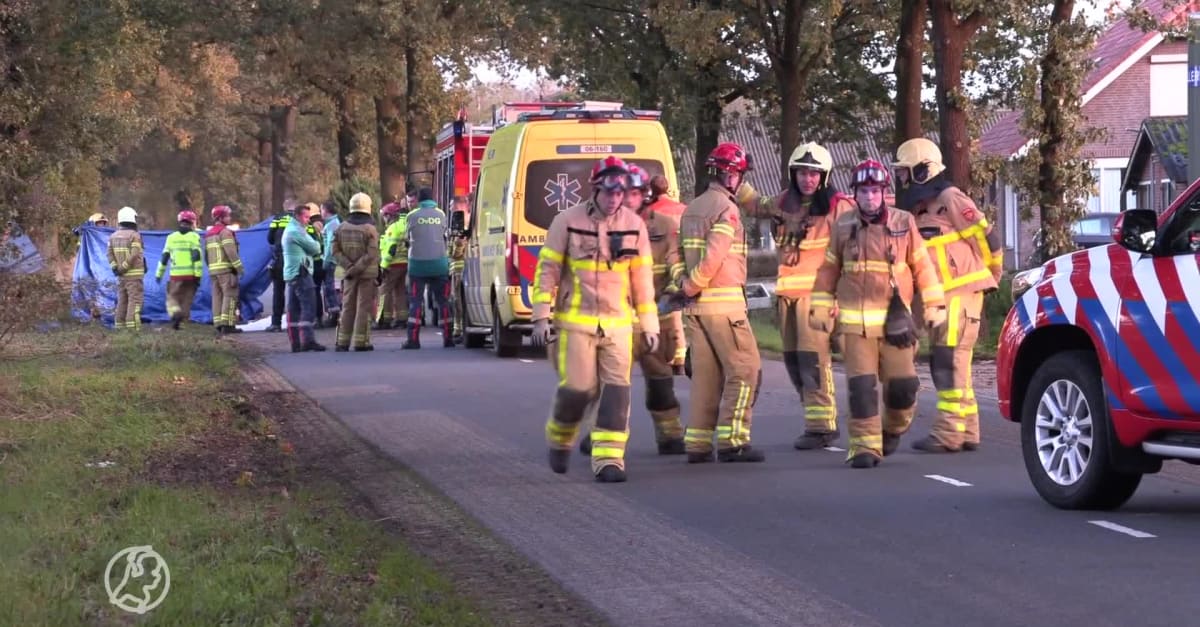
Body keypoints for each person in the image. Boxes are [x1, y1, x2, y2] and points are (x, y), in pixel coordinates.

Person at [809, 159, 946, 469]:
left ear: (884, 192)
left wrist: (934, 304)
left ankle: (892, 429)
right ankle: (864, 447)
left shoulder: (904, 222)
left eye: (875, 191)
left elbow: (923, 267)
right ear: (855, 194)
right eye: (863, 191)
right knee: (862, 390)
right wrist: (820, 305)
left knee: (903, 389)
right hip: (855, 328)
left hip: (896, 325)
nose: (869, 197)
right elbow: (829, 269)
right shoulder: (843, 225)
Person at [531, 156, 659, 483]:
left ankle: (609, 460)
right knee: (578, 390)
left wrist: (650, 325)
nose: (615, 198)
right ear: (596, 188)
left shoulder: (634, 225)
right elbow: (547, 271)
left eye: (621, 193)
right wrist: (541, 317)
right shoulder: (566, 221)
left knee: (617, 394)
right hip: (576, 325)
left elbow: (643, 281)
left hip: (618, 326)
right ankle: (560, 439)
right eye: (610, 191)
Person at [734, 142, 855, 450]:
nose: (808, 179)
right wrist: (737, 176)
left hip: (817, 299)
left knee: (813, 361)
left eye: (814, 174)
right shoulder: (783, 203)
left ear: (824, 176)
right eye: (802, 173)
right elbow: (755, 205)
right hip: (787, 297)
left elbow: (853, 252)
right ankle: (814, 418)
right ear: (793, 174)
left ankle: (822, 426)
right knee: (794, 361)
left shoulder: (839, 207)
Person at [892, 138, 1004, 453]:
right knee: (957, 364)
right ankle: (967, 430)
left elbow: (986, 238)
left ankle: (947, 434)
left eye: (904, 170)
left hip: (959, 295)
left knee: (946, 362)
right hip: (944, 297)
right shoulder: (923, 207)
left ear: (922, 170)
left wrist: (992, 276)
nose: (900, 177)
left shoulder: (950, 198)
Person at [666, 142, 764, 464]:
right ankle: (734, 441)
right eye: (739, 175)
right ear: (730, 175)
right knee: (745, 369)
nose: (740, 180)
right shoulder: (727, 210)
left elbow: (674, 254)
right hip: (725, 308)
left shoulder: (692, 208)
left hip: (696, 309)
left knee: (706, 379)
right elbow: (714, 256)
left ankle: (697, 444)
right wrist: (693, 284)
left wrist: (683, 284)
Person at [579, 164, 686, 456]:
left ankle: (670, 435)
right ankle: (599, 434)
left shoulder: (664, 226)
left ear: (645, 195)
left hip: (655, 320)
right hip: (616, 322)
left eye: (636, 194)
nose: (629, 199)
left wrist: (677, 287)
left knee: (661, 383)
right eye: (625, 193)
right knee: (610, 385)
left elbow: (676, 261)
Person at [403, 188, 453, 349]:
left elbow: (406, 238)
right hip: (439, 265)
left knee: (415, 302)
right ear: (433, 199)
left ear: (418, 200)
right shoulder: (441, 214)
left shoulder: (412, 216)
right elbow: (446, 236)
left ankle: (413, 340)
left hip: (417, 266)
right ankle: (448, 338)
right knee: (443, 302)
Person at [333, 192, 381, 352]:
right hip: (366, 275)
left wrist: (349, 267)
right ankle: (361, 343)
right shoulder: (370, 229)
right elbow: (371, 254)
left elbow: (335, 251)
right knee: (363, 308)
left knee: (347, 306)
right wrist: (357, 268)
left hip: (349, 275)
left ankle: (342, 342)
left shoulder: (341, 228)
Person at [282, 203, 326, 352]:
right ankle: (307, 340)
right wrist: (316, 241)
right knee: (308, 307)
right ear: (297, 216)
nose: (308, 220)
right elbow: (315, 248)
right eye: (306, 217)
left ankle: (296, 343)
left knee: (294, 309)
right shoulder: (296, 232)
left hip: (293, 273)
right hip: (302, 273)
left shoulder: (292, 229)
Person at [156, 210, 203, 330]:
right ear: (192, 222)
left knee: (172, 298)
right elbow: (197, 257)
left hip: (176, 275)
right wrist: (198, 275)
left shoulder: (171, 237)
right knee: (187, 299)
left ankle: (175, 313)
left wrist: (159, 274)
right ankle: (183, 322)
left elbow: (164, 257)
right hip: (191, 275)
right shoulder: (194, 236)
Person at [205, 204, 244, 335]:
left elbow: (206, 255)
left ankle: (218, 324)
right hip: (226, 271)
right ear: (220, 218)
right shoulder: (225, 233)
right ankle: (228, 325)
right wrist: (239, 268)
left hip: (213, 271)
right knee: (230, 296)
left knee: (217, 297)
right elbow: (231, 252)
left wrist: (211, 267)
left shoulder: (209, 234)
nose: (229, 218)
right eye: (227, 216)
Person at [105, 206, 145, 331]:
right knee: (135, 301)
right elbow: (135, 254)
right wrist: (124, 267)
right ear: (132, 219)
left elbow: (109, 254)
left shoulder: (112, 236)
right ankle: (133, 328)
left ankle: (119, 326)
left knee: (122, 300)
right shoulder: (134, 235)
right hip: (134, 276)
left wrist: (115, 268)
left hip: (121, 277)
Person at [377, 201, 409, 329]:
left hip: (393, 265)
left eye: (385, 216)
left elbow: (391, 249)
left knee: (384, 291)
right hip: (404, 263)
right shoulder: (406, 225)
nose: (384, 219)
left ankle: (384, 319)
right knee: (400, 292)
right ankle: (402, 319)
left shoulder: (393, 228)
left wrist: (383, 266)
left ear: (390, 216)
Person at [265, 204, 295, 332]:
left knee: (278, 292)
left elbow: (270, 239)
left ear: (285, 207)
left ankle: (276, 323)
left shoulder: (277, 218)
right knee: (295, 292)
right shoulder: (301, 218)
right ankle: (295, 323)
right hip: (295, 259)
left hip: (280, 259)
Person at [447, 195, 470, 343]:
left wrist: (457, 243)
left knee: (459, 301)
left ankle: (459, 330)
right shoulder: (458, 223)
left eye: (452, 206)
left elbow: (455, 252)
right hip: (456, 269)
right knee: (457, 301)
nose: (450, 209)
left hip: (461, 269)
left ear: (459, 206)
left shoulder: (463, 224)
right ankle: (458, 330)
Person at [320, 201, 342, 326]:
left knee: (329, 288)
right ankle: (333, 313)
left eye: (321, 210)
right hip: (332, 260)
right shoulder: (332, 223)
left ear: (326, 210)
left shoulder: (332, 225)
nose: (320, 213)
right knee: (330, 287)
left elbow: (330, 245)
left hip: (330, 261)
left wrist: (326, 261)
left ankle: (334, 315)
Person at [306, 206, 326, 327]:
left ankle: (316, 318)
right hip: (322, 263)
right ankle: (320, 318)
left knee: (313, 292)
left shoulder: (309, 228)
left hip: (313, 264)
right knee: (319, 291)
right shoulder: (324, 224)